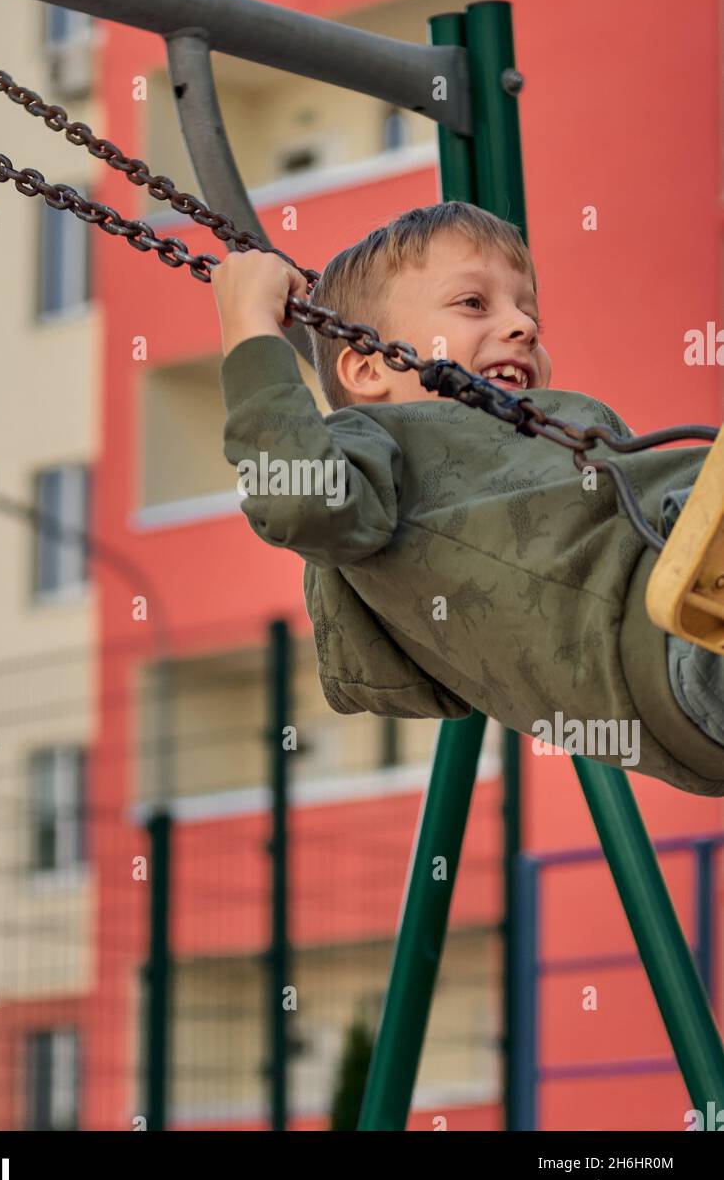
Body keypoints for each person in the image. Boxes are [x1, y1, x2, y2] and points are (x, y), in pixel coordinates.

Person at [211, 201, 724, 796]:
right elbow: (296, 499)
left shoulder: (550, 453)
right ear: (369, 369)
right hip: (681, 644)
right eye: (473, 304)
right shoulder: (374, 448)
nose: (523, 326)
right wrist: (249, 325)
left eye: (528, 313)